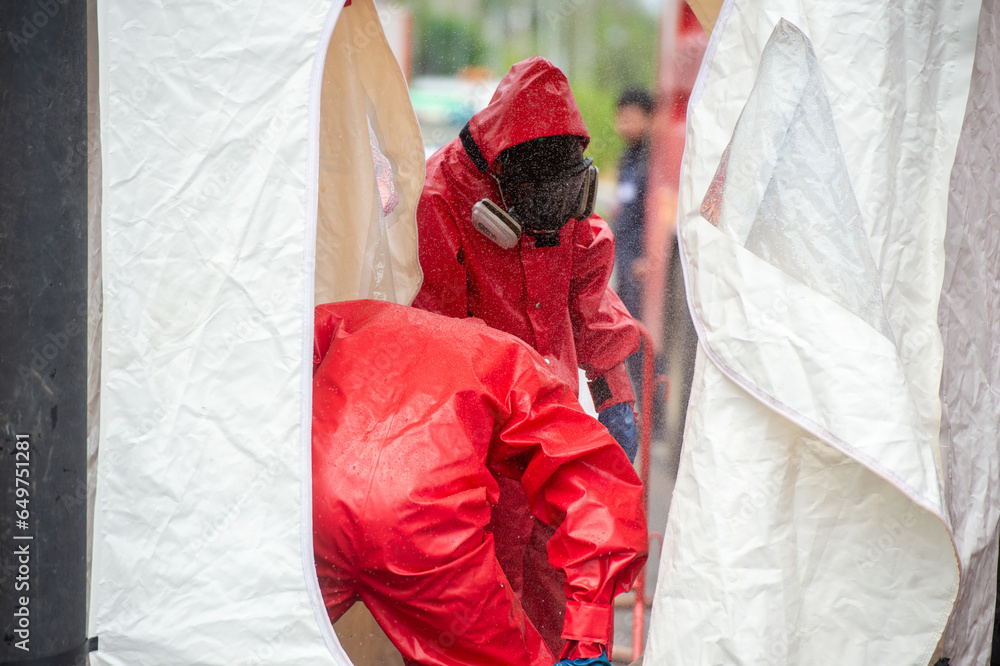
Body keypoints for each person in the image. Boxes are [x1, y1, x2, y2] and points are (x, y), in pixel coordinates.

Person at [411, 57, 643, 653]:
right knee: (479, 583)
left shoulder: (564, 195)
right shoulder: (444, 196)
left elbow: (589, 298)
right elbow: (437, 324)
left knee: (555, 566)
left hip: (554, 421)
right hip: (480, 430)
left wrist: (616, 391)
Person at [312, 300, 648, 666]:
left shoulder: (354, 318)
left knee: (257, 637)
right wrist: (589, 632)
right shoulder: (509, 358)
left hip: (312, 512)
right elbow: (596, 484)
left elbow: (266, 367)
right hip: (428, 535)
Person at [611, 88, 654, 323]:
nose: (624, 124)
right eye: (621, 117)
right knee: (626, 317)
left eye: (631, 117)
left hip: (641, 257)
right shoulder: (627, 159)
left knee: (644, 322)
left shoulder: (654, 161)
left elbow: (656, 213)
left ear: (648, 118)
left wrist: (648, 256)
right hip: (625, 255)